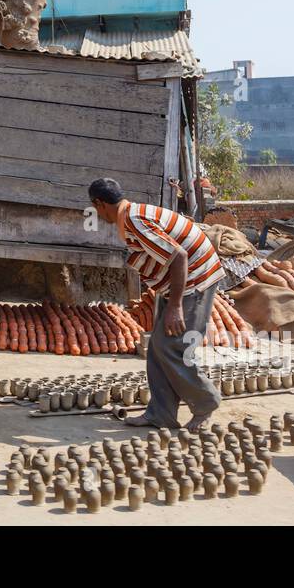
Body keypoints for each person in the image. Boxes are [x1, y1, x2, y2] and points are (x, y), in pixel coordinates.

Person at [88, 177, 225, 431]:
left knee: (173, 347)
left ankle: (205, 402)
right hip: (178, 283)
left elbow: (179, 257)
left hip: (197, 279)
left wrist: (174, 307)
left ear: (100, 204)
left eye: (95, 209)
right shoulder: (131, 216)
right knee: (157, 348)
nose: (96, 214)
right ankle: (161, 414)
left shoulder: (134, 221)